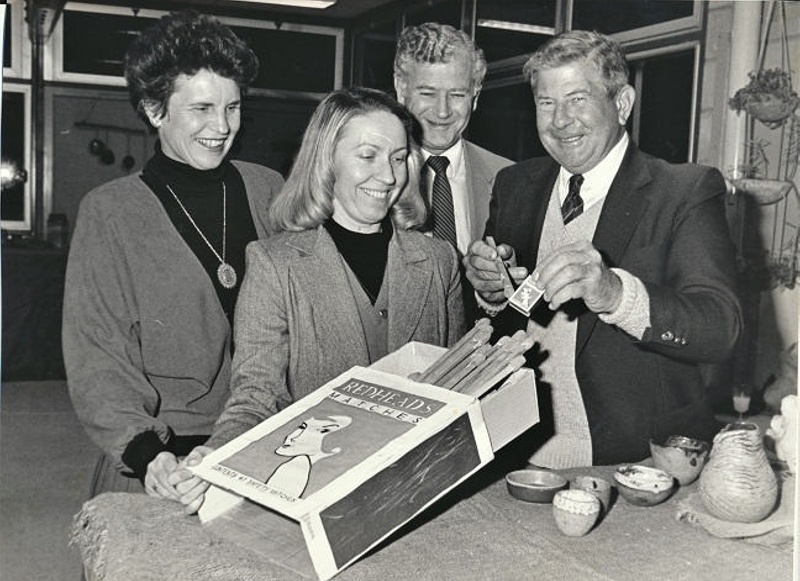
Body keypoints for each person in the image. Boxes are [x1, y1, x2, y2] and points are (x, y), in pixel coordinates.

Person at [152, 87, 466, 512]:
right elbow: (255, 393)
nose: (389, 177)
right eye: (368, 156)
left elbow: (456, 388)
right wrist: (216, 456)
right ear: (327, 161)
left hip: (418, 488)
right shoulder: (273, 264)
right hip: (317, 493)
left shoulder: (439, 260)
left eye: (397, 158)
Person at [464, 30, 742, 468]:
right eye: (546, 103)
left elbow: (720, 328)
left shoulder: (684, 190)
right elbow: (498, 324)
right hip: (515, 451)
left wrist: (615, 293)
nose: (560, 121)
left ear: (622, 104)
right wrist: (490, 292)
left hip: (639, 458)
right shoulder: (515, 185)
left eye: (577, 99)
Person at [62, 10, 284, 500]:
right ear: (155, 109)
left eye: (233, 107)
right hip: (164, 459)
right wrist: (150, 456)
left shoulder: (269, 189)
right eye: (201, 108)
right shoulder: (110, 212)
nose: (222, 126)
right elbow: (96, 353)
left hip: (261, 444)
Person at [394, 23, 513, 319]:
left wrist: (501, 287)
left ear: (476, 94)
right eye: (428, 93)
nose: (443, 111)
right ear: (401, 87)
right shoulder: (372, 178)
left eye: (457, 95)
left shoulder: (510, 179)